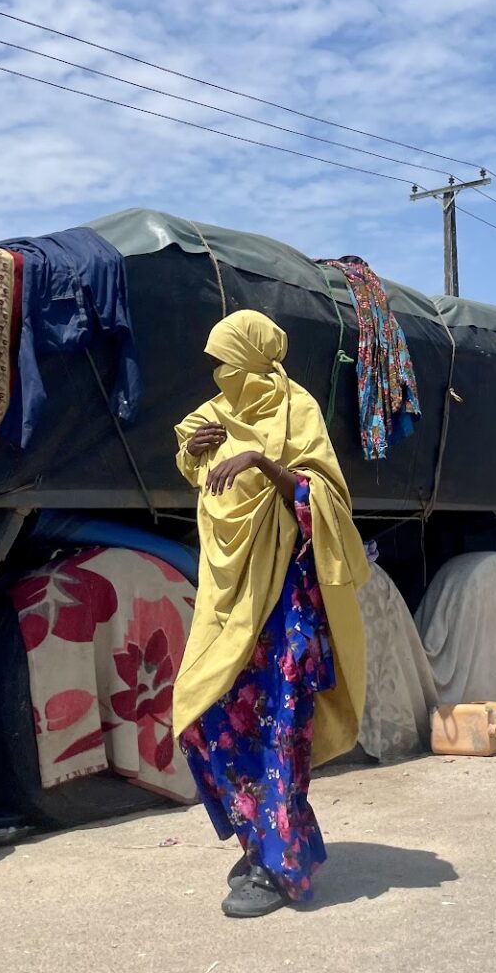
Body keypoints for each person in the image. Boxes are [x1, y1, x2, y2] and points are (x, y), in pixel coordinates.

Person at [173, 310, 369, 919]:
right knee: (204, 715)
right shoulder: (214, 412)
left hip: (286, 608)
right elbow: (196, 470)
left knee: (280, 728)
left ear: (254, 359)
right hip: (229, 600)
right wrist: (194, 450)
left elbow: (325, 500)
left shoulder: (297, 409)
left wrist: (262, 462)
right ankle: (262, 840)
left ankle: (275, 865)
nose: (219, 374)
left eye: (227, 361)